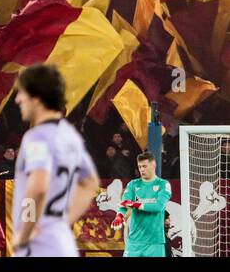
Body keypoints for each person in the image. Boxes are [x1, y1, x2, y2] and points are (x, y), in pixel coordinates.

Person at [9, 64, 100, 257]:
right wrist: (62, 221)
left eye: (22, 94)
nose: (18, 99)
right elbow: (90, 182)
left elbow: (39, 186)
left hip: (38, 246)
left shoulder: (37, 137)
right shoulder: (70, 136)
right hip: (62, 243)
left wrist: (25, 235)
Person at [120, 152, 171, 258]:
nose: (141, 169)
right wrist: (119, 216)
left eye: (144, 166)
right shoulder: (133, 184)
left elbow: (158, 206)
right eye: (139, 167)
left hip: (155, 242)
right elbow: (124, 205)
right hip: (134, 242)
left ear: (153, 165)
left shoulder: (163, 184)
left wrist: (136, 204)